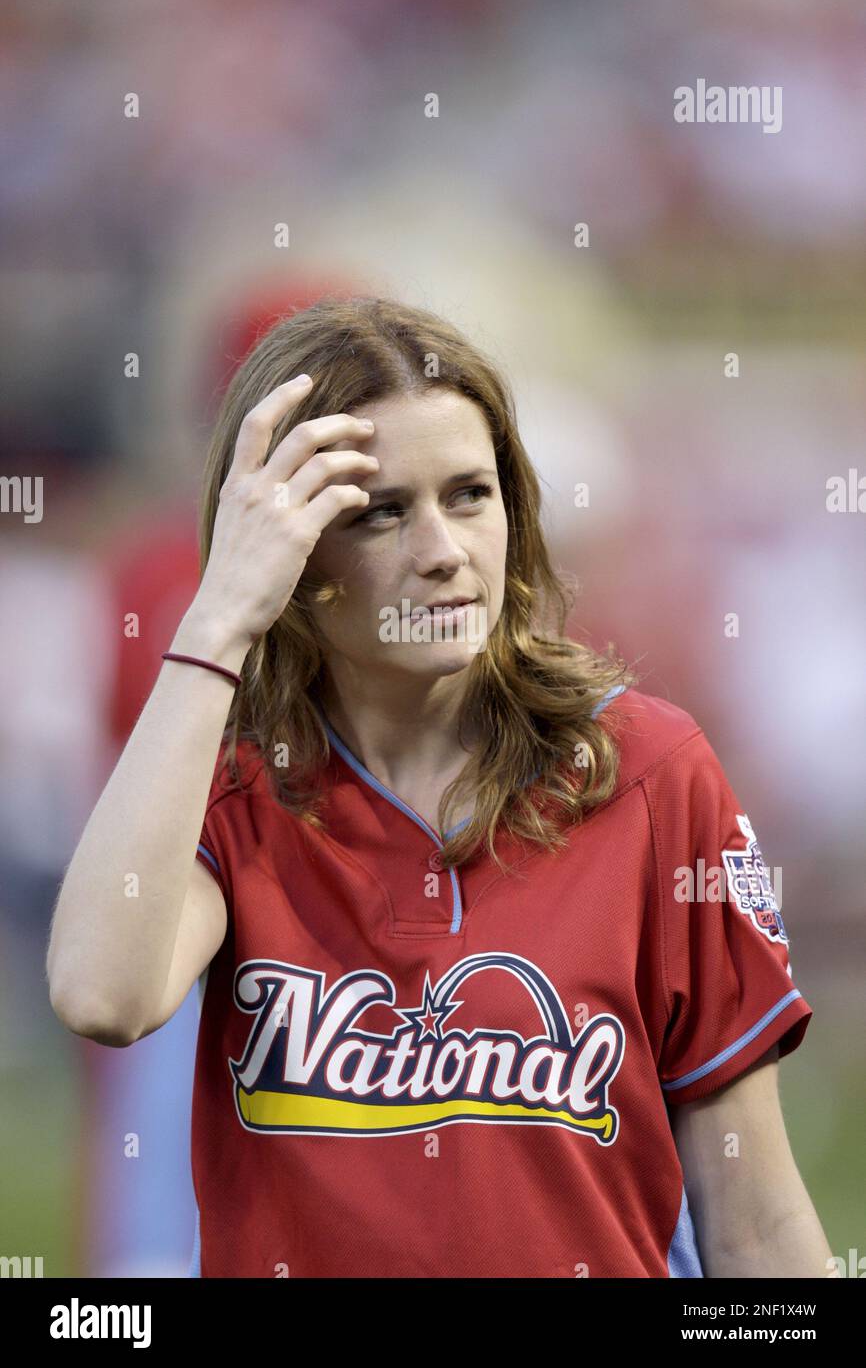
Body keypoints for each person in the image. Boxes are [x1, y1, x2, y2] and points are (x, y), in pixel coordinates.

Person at [47, 296, 831, 1279]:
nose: (442, 552)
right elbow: (100, 993)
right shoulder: (233, 779)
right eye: (380, 512)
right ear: (285, 554)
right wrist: (216, 625)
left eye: (469, 494)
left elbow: (752, 1216)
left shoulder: (645, 772)